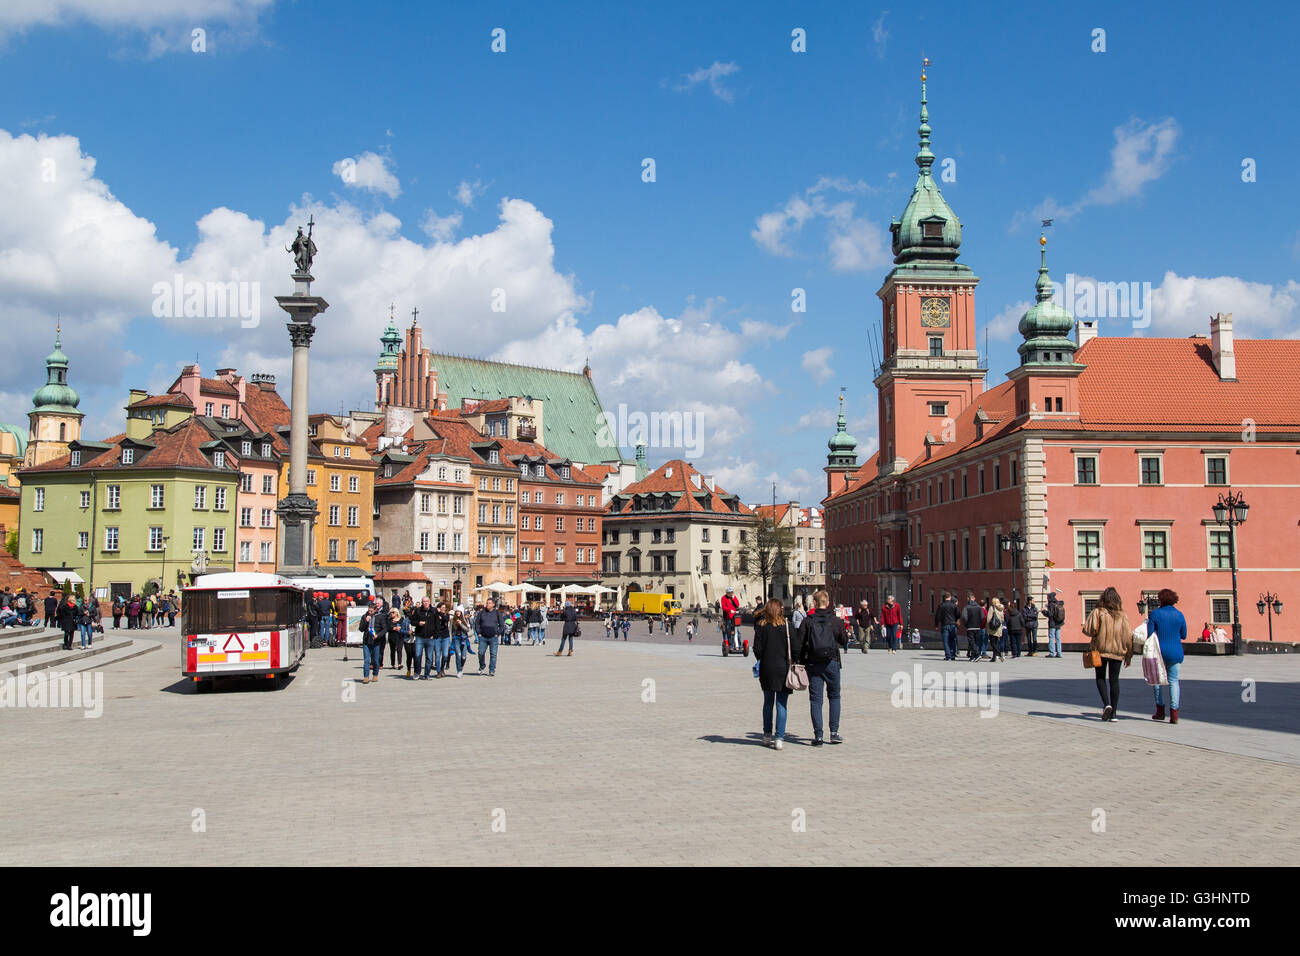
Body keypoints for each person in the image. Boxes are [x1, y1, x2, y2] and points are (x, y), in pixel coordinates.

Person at [796, 589, 848, 746]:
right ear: (828, 603)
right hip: (832, 662)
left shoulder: (808, 621)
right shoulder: (835, 621)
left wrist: (799, 661)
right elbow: (844, 641)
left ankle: (818, 736)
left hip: (813, 663)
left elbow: (799, 643)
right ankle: (834, 733)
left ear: (815, 604)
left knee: (816, 700)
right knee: (834, 696)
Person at [1082, 586, 1133, 722]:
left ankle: (1106, 704)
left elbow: (1088, 630)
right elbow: (1128, 637)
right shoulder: (1123, 615)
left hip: (1100, 650)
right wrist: (1129, 656)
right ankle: (1114, 714)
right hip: (1118, 652)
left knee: (1100, 677)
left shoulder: (1098, 612)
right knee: (1114, 680)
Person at [754, 598, 795, 750]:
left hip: (766, 668)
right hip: (783, 669)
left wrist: (762, 659)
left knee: (768, 703)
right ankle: (779, 738)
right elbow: (795, 648)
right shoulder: (787, 627)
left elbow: (756, 649)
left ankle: (766, 735)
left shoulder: (761, 626)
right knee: (781, 705)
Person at [1147, 588, 1187, 724]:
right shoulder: (1180, 615)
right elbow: (1184, 635)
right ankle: (1174, 713)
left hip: (1159, 652)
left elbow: (1150, 634)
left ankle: (1160, 711)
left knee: (1157, 681)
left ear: (1160, 600)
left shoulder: (1155, 614)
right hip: (1176, 652)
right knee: (1174, 681)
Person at [476, 598, 506, 676]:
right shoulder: (481, 612)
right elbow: (477, 623)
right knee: (480, 652)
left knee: (493, 654)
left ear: (493, 604)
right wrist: (478, 632)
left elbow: (502, 625)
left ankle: (492, 670)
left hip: (493, 637)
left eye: (489, 603)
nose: (487, 604)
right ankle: (482, 666)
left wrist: (498, 633)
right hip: (483, 637)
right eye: (487, 603)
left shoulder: (497, 613)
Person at [411, 597, 435, 680]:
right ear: (422, 602)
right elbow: (412, 621)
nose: (425, 603)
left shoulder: (433, 611)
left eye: (427, 601)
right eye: (424, 601)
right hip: (420, 636)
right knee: (417, 655)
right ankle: (417, 672)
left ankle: (427, 674)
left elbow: (437, 624)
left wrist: (435, 635)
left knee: (429, 657)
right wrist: (418, 623)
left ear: (429, 602)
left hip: (430, 637)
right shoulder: (418, 610)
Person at [359, 605, 383, 683]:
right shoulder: (364, 616)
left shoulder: (380, 617)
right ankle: (366, 677)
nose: (370, 612)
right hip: (367, 641)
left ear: (375, 610)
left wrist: (378, 635)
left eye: (371, 611)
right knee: (366, 660)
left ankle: (375, 675)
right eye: (369, 610)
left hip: (376, 642)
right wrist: (366, 621)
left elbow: (384, 629)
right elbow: (361, 629)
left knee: (376, 660)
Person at [934, 592, 960, 660]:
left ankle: (948, 655)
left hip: (945, 624)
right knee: (953, 640)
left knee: (946, 641)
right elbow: (958, 614)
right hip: (953, 624)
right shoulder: (954, 605)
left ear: (944, 597)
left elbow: (937, 616)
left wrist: (936, 624)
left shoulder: (941, 605)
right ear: (950, 597)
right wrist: (956, 619)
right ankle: (953, 654)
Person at [448, 607, 472, 677]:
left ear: (461, 612)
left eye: (459, 611)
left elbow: (468, 630)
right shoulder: (452, 620)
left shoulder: (465, 620)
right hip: (456, 639)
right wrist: (450, 640)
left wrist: (461, 624)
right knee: (458, 655)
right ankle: (459, 670)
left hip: (464, 639)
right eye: (457, 611)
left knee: (463, 657)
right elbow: (450, 631)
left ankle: (461, 666)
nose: (458, 613)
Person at [431, 601, 451, 678]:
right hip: (437, 637)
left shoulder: (446, 615)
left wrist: (441, 614)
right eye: (442, 608)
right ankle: (438, 671)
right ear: (438, 608)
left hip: (445, 637)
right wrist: (437, 613)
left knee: (445, 655)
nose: (443, 609)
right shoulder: (435, 615)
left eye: (444, 608)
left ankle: (442, 668)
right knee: (437, 655)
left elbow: (446, 620)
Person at [961, 593, 983, 662]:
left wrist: (966, 624)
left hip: (970, 627)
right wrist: (979, 622)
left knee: (971, 641)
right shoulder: (979, 607)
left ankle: (977, 654)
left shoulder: (966, 607)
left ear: (968, 599)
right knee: (976, 642)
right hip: (977, 626)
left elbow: (964, 617)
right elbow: (982, 617)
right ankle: (973, 656)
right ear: (974, 598)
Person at [986, 597, 1005, 663]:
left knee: (992, 643)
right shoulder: (1001, 608)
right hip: (998, 627)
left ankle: (999, 654)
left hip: (992, 628)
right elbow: (1002, 619)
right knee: (996, 642)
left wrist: (988, 627)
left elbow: (988, 619)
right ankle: (994, 657)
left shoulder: (992, 608)